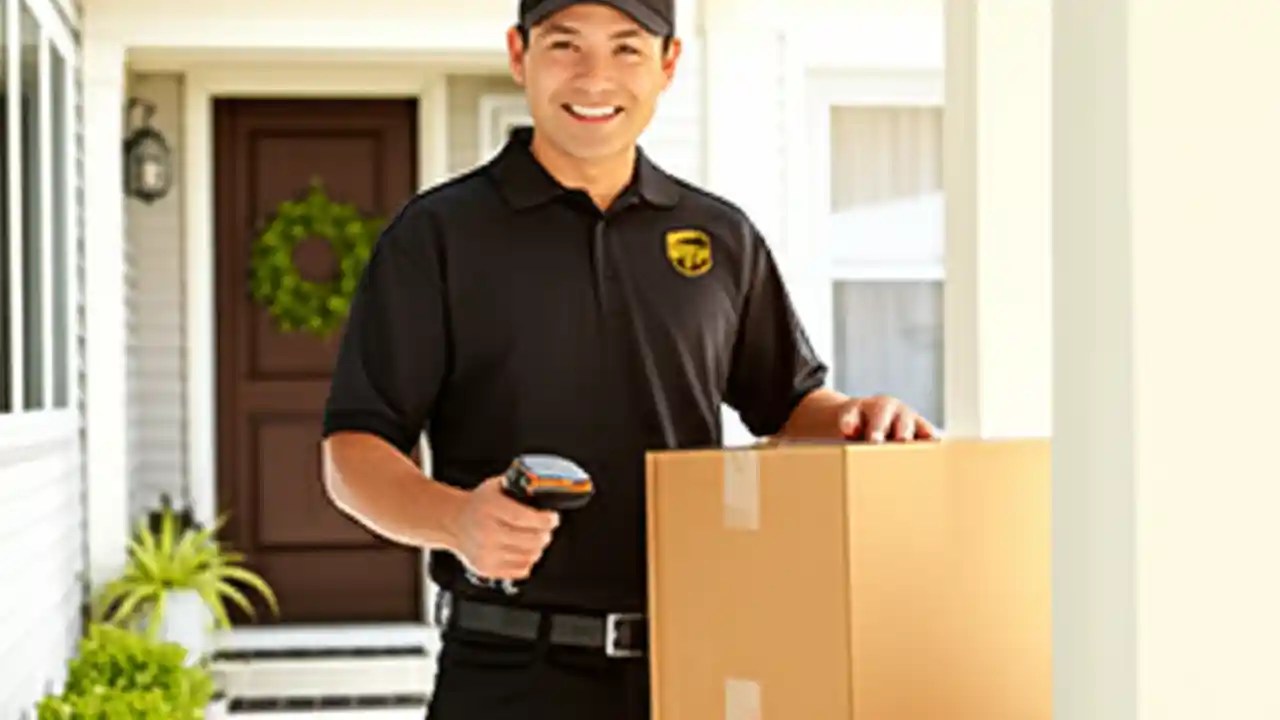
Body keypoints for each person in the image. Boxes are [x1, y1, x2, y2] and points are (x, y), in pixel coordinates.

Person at [319, 0, 938, 717]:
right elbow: (353, 452)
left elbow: (790, 403)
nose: (594, 78)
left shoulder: (722, 237)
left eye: (626, 49)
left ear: (668, 64)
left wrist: (856, 419)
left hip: (698, 660)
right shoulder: (436, 238)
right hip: (509, 670)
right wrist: (457, 520)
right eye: (565, 46)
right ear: (519, 55)